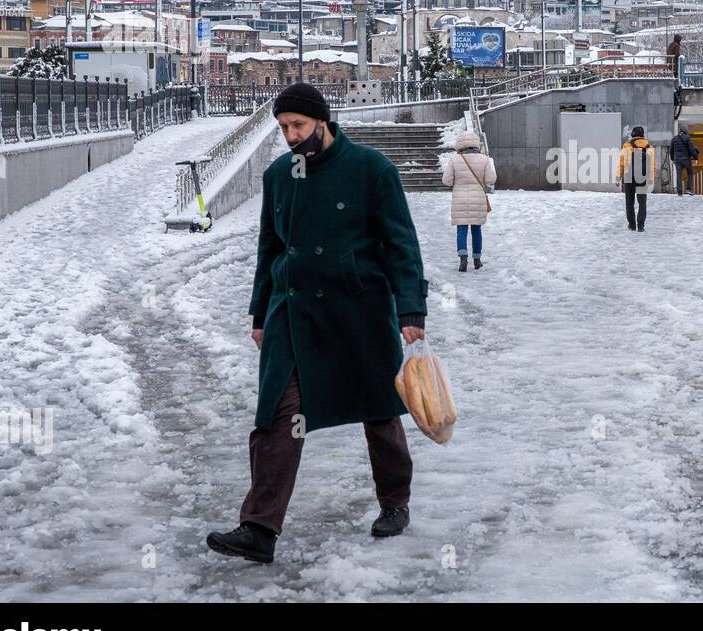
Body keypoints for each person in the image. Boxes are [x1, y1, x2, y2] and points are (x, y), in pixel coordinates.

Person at [206, 82, 429, 564]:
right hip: (293, 313)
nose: (290, 136)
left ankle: (395, 503)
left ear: (322, 122)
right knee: (276, 416)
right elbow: (270, 249)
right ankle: (258, 528)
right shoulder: (279, 177)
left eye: (298, 126)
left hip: (360, 311)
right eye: (283, 127)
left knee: (379, 409)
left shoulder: (372, 170)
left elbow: (401, 245)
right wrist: (261, 312)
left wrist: (411, 308)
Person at [442, 129, 496, 271]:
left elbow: (446, 181)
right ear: (476, 144)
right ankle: (477, 260)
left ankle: (463, 259)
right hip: (477, 198)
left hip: (460, 199)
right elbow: (491, 179)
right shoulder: (484, 159)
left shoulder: (455, 160)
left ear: (460, 145)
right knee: (476, 229)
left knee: (462, 229)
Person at [615, 124, 657, 231]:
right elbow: (652, 165)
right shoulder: (649, 147)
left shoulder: (627, 146)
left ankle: (632, 225)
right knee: (642, 202)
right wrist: (651, 178)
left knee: (629, 202)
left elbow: (622, 163)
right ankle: (641, 226)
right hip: (642, 177)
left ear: (633, 134)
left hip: (629, 176)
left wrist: (618, 176)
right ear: (643, 135)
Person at [669, 122, 699, 196]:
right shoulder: (687, 138)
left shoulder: (674, 138)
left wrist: (673, 158)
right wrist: (696, 157)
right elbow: (691, 149)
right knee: (690, 173)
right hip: (686, 159)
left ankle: (679, 192)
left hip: (677, 159)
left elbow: (671, 150)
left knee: (679, 175)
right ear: (686, 130)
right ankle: (688, 189)